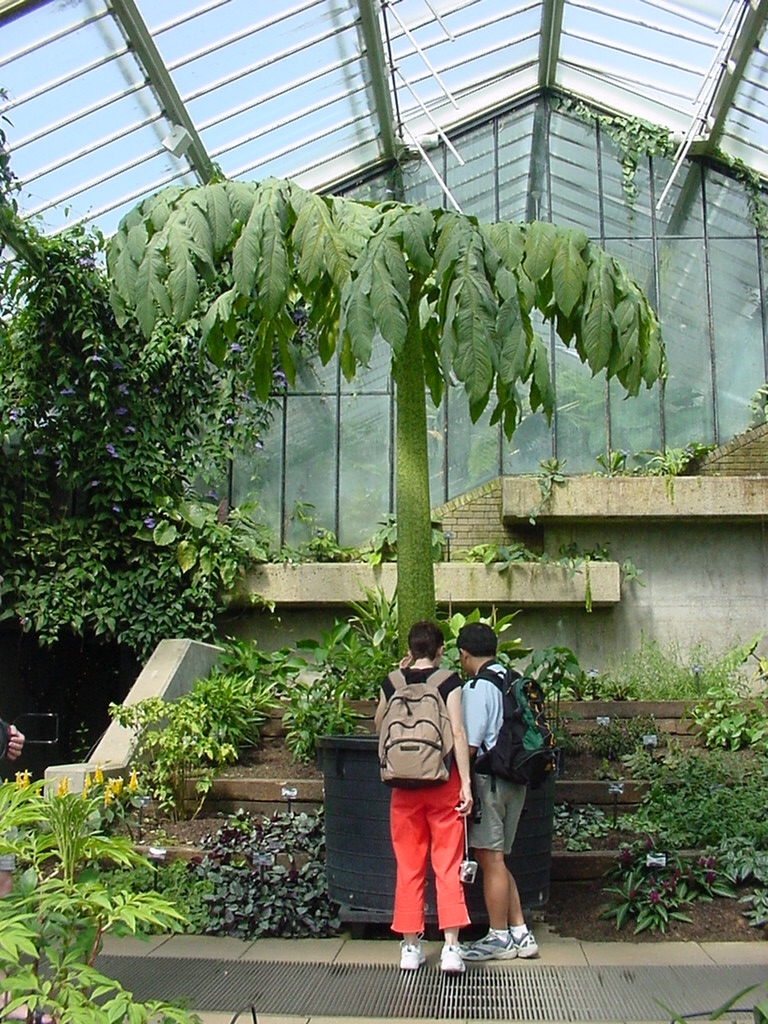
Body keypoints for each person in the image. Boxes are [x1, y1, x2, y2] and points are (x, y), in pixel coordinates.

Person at [374, 620, 473, 974]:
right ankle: (450, 949)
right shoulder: (448, 682)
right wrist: (466, 785)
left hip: (403, 786)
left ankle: (410, 947)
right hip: (443, 781)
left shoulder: (392, 681)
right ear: (440, 649)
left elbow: (379, 724)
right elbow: (458, 731)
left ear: (411, 648)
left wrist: (398, 678)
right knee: (446, 866)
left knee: (409, 866)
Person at [457, 622, 539, 961]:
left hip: (489, 782)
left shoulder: (478, 687)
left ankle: (498, 937)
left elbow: (472, 745)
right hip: (517, 780)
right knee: (498, 860)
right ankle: (520, 932)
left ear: (464, 654)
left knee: (490, 860)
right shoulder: (513, 678)